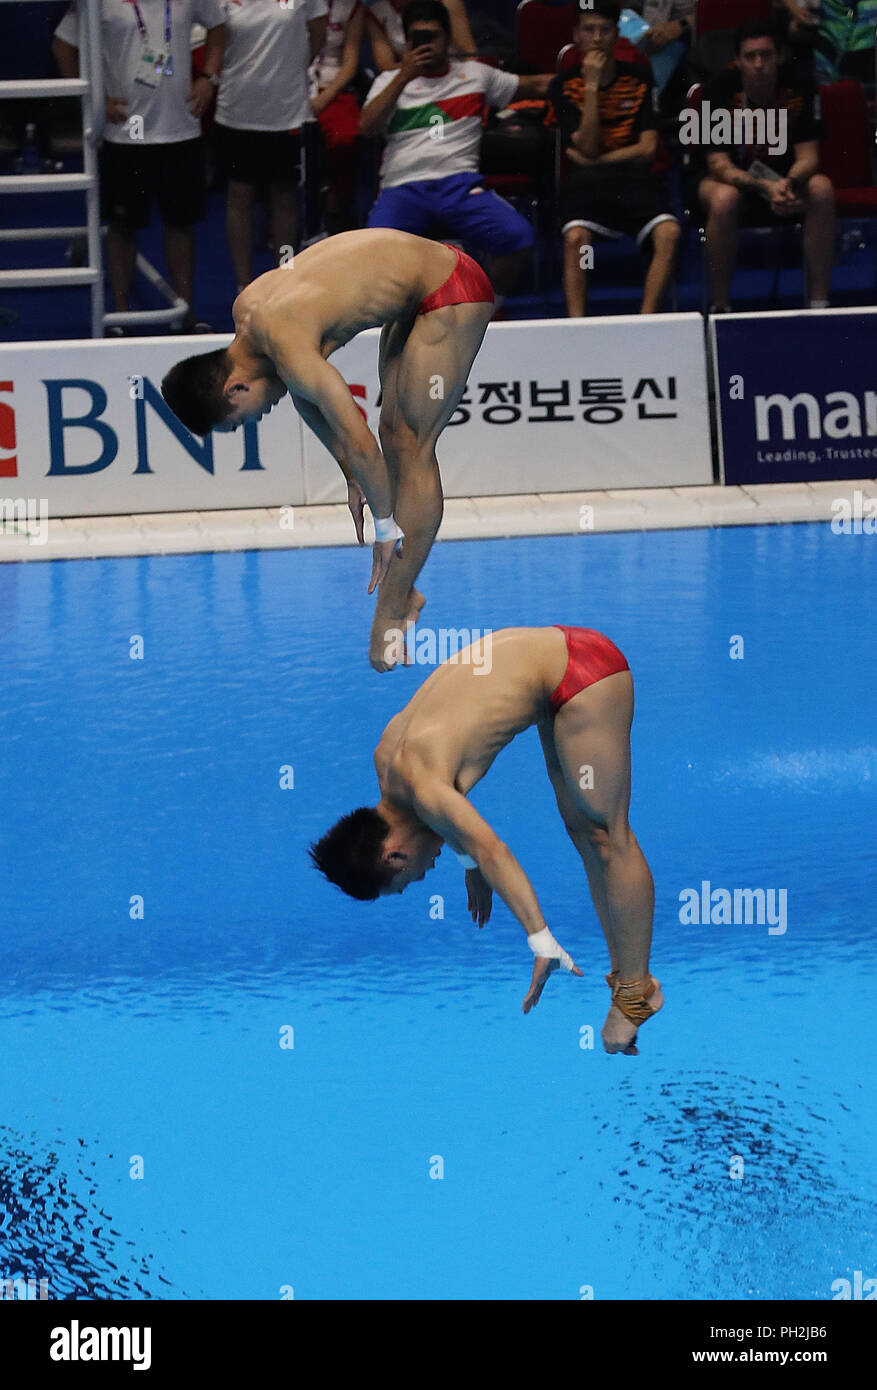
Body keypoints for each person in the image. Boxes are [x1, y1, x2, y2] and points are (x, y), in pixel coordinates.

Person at [310, 624, 663, 1055]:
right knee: (585, 833)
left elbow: (493, 848)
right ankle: (627, 983)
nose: (426, 874)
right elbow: (455, 813)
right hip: (554, 671)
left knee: (610, 836)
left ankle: (634, 994)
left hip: (584, 673)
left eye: (412, 880)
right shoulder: (387, 762)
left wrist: (540, 940)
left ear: (394, 856)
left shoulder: (424, 791)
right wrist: (471, 865)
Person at [159, 229, 494, 671]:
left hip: (452, 288)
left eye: (242, 418)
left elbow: (360, 441)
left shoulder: (285, 343)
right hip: (416, 289)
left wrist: (385, 526)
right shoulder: (251, 318)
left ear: (235, 386)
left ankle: (392, 611)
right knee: (396, 434)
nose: (256, 421)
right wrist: (350, 475)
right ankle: (403, 589)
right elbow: (306, 396)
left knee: (411, 446)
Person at [52, 0, 227, 333]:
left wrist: (209, 77)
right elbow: (63, 45)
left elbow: (218, 26)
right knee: (122, 227)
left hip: (181, 127)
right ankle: (120, 316)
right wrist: (93, 99)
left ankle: (186, 314)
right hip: (124, 133)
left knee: (181, 224)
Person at [360, 0, 551, 301]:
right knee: (372, 257)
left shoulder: (476, 75)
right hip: (402, 188)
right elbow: (367, 126)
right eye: (416, 38)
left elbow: (537, 86)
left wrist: (586, 74)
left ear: (448, 38)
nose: (425, 45)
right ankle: (407, 316)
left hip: (459, 186)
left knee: (520, 237)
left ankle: (484, 306)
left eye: (432, 37)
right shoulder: (389, 81)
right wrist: (402, 77)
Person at [545, 0, 681, 317]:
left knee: (669, 233)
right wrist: (591, 87)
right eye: (589, 30)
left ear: (616, 35)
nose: (596, 38)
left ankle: (646, 320)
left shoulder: (639, 78)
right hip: (586, 186)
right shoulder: (563, 86)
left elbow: (647, 149)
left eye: (604, 30)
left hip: (635, 180)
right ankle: (577, 326)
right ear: (577, 35)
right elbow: (589, 146)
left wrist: (595, 160)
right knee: (577, 240)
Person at [697, 19, 835, 312]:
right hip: (730, 179)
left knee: (821, 189)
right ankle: (720, 306)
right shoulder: (717, 90)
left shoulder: (799, 85)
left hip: (784, 181)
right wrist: (764, 187)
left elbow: (809, 157)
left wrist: (787, 184)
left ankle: (820, 303)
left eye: (766, 55)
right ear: (738, 60)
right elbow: (717, 164)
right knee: (723, 199)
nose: (759, 64)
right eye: (750, 57)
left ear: (779, 56)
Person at [214, 0, 328, 291]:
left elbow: (317, 35)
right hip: (237, 110)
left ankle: (285, 278)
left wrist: (285, 71)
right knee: (240, 195)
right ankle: (243, 284)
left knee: (285, 197)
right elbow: (215, 38)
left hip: (287, 110)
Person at [309, 0, 367, 234]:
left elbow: (350, 63)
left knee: (345, 137)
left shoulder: (352, 7)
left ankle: (337, 206)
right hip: (293, 81)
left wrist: (324, 99)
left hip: (333, 85)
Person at [365, 0, 476, 70]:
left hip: (453, 73)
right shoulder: (376, 12)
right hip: (411, 77)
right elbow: (386, 66)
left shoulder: (448, 2)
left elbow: (469, 54)